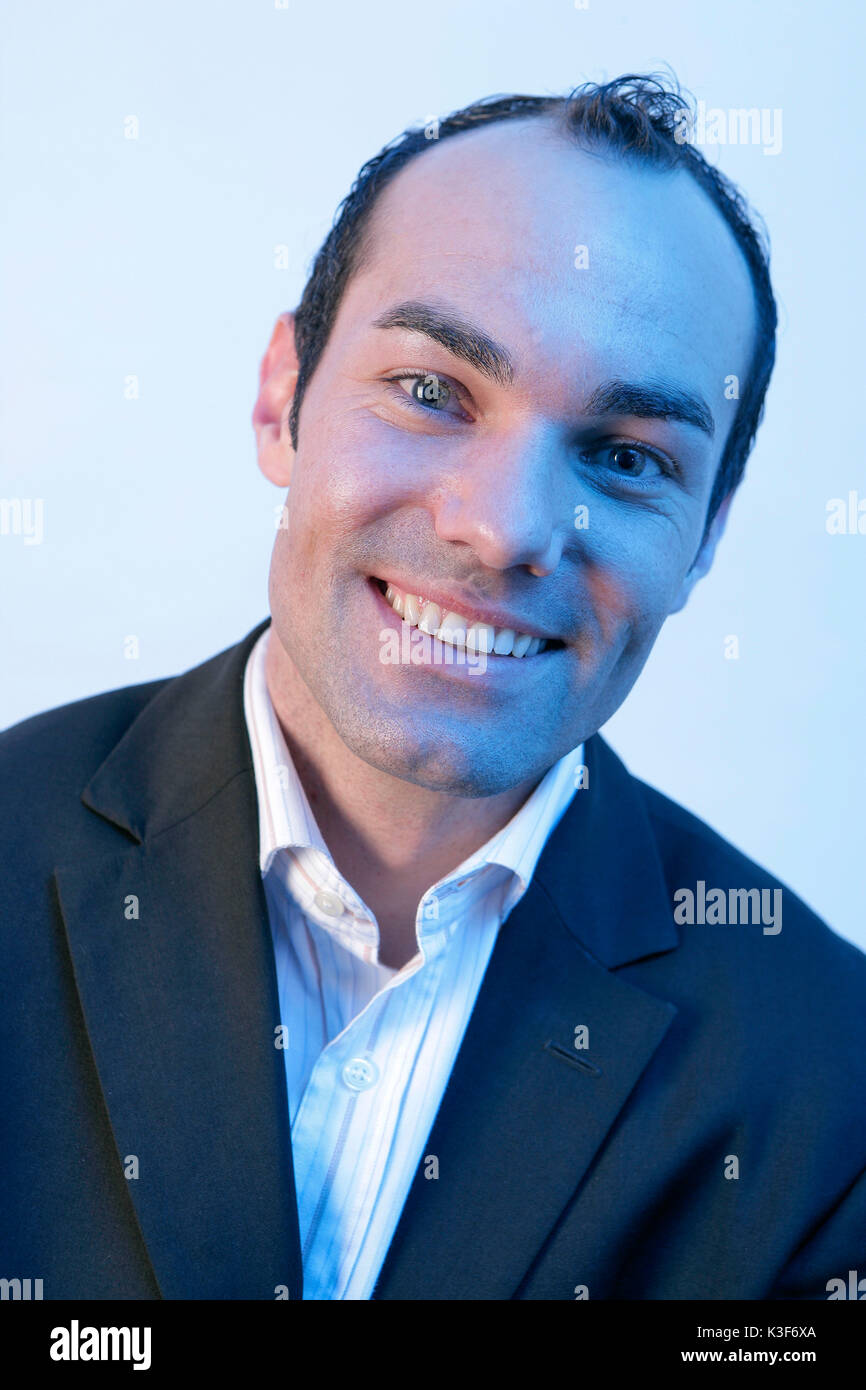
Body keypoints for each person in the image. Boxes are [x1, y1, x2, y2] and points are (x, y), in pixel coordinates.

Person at [2, 76, 864, 1302]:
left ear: (705, 533)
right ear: (279, 399)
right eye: (429, 391)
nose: (504, 529)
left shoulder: (831, 1087)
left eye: (625, 459)